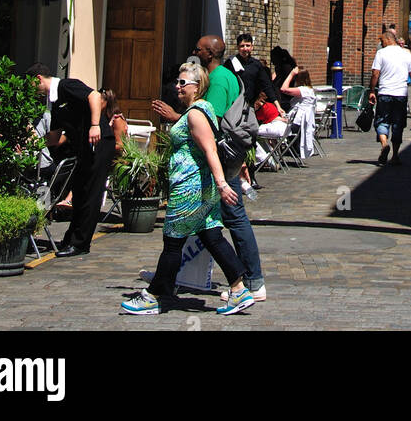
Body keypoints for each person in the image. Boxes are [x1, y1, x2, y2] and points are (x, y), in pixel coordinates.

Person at [121, 61, 252, 316]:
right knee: (212, 236)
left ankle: (155, 295)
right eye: (177, 82)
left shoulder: (195, 113)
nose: (178, 87)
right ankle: (239, 289)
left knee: (172, 243)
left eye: (183, 83)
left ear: (197, 86)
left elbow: (210, 150)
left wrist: (223, 184)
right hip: (199, 188)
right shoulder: (198, 110)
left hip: (191, 189)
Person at [154, 35, 267, 303]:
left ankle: (251, 281)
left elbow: (207, 123)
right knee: (212, 227)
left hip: (218, 163)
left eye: (198, 49)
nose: (194, 52)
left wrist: (174, 117)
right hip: (224, 162)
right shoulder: (228, 75)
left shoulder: (217, 80)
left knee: (232, 219)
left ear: (208, 55)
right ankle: (169, 280)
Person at [28, 63, 117, 257]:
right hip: (82, 147)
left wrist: (95, 125)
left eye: (31, 86)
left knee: (90, 192)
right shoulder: (53, 101)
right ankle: (72, 238)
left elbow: (94, 96)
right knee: (79, 190)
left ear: (38, 79)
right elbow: (56, 137)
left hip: (99, 143)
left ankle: (80, 243)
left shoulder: (65, 86)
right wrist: (30, 141)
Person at [369, 28, 411, 165]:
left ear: (388, 39)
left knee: (381, 121)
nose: (381, 43)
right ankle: (396, 155)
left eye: (382, 40)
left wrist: (372, 90)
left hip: (385, 92)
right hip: (400, 94)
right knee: (398, 124)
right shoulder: (406, 54)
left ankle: (384, 144)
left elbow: (375, 74)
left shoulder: (381, 53)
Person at [226, 33, 287, 117]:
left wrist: (277, 105)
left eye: (248, 45)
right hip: (233, 104)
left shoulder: (256, 64)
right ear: (238, 47)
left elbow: (267, 85)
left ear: (252, 47)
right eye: (242, 46)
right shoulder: (230, 63)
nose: (245, 49)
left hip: (249, 106)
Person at [279, 66, 316, 159]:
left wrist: (291, 74)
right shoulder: (309, 89)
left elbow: (283, 89)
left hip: (296, 125)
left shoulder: (303, 90)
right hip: (301, 124)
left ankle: (275, 152)